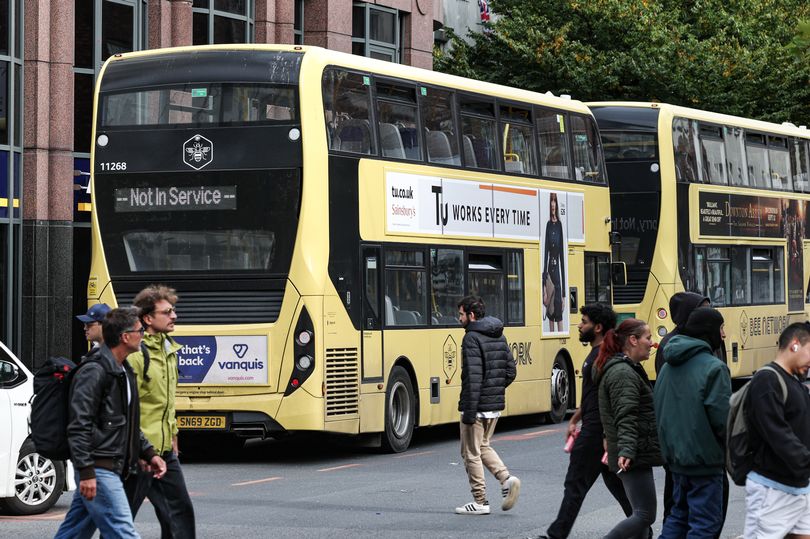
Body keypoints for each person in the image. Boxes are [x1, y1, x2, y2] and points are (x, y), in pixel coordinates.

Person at [55, 308, 167, 539]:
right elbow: (78, 425)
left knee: (73, 533)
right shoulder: (95, 371)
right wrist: (86, 472)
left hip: (109, 467)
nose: (143, 334)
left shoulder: (123, 369)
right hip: (99, 468)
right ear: (125, 337)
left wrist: (148, 453)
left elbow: (126, 422)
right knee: (123, 533)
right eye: (140, 330)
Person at [539, 304, 635, 539]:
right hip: (595, 429)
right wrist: (574, 418)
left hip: (595, 433)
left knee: (575, 485)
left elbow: (609, 398)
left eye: (584, 321)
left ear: (598, 327)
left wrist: (603, 435)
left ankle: (556, 534)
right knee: (617, 486)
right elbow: (592, 396)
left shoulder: (604, 355)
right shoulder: (597, 353)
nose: (580, 326)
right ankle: (641, 528)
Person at [124, 285, 196, 538]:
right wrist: (141, 448)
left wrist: (173, 435)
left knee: (179, 513)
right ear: (148, 318)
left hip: (165, 450)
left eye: (173, 311)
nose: (174, 316)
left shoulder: (169, 351)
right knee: (120, 519)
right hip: (140, 451)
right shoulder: (136, 355)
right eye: (167, 312)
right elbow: (128, 405)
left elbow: (166, 401)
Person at [654, 307, 731, 538]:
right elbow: (723, 420)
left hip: (676, 459)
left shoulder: (667, 366)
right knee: (705, 523)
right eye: (721, 328)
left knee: (678, 516)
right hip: (705, 460)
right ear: (710, 332)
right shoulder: (714, 368)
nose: (724, 335)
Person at [593, 318, 663, 539]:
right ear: (633, 340)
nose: (652, 343)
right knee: (644, 515)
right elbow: (626, 416)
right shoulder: (623, 373)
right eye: (648, 338)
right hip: (633, 453)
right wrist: (626, 450)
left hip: (633, 450)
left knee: (641, 518)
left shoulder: (625, 369)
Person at [454, 295, 520, 515]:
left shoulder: (471, 337)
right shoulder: (498, 335)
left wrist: (470, 413)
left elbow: (473, 378)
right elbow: (510, 371)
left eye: (461, 314)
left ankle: (480, 501)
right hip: (493, 406)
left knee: (470, 452)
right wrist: (494, 391)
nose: (459, 318)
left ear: (471, 315)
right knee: (482, 446)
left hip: (476, 406)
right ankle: (506, 479)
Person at [743, 322, 810, 539]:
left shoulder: (795, 382)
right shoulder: (767, 379)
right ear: (795, 345)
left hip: (799, 486)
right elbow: (777, 433)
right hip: (771, 489)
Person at [654, 292, 709, 376]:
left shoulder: (709, 338)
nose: (709, 315)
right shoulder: (668, 345)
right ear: (688, 314)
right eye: (703, 311)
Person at [543, 192, 566, 332]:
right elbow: (545, 254)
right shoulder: (548, 225)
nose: (553, 204)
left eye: (555, 201)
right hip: (549, 275)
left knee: (559, 311)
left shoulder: (559, 226)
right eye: (551, 201)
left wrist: (563, 294)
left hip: (557, 274)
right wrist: (544, 287)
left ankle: (561, 337)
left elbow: (562, 258)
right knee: (550, 313)